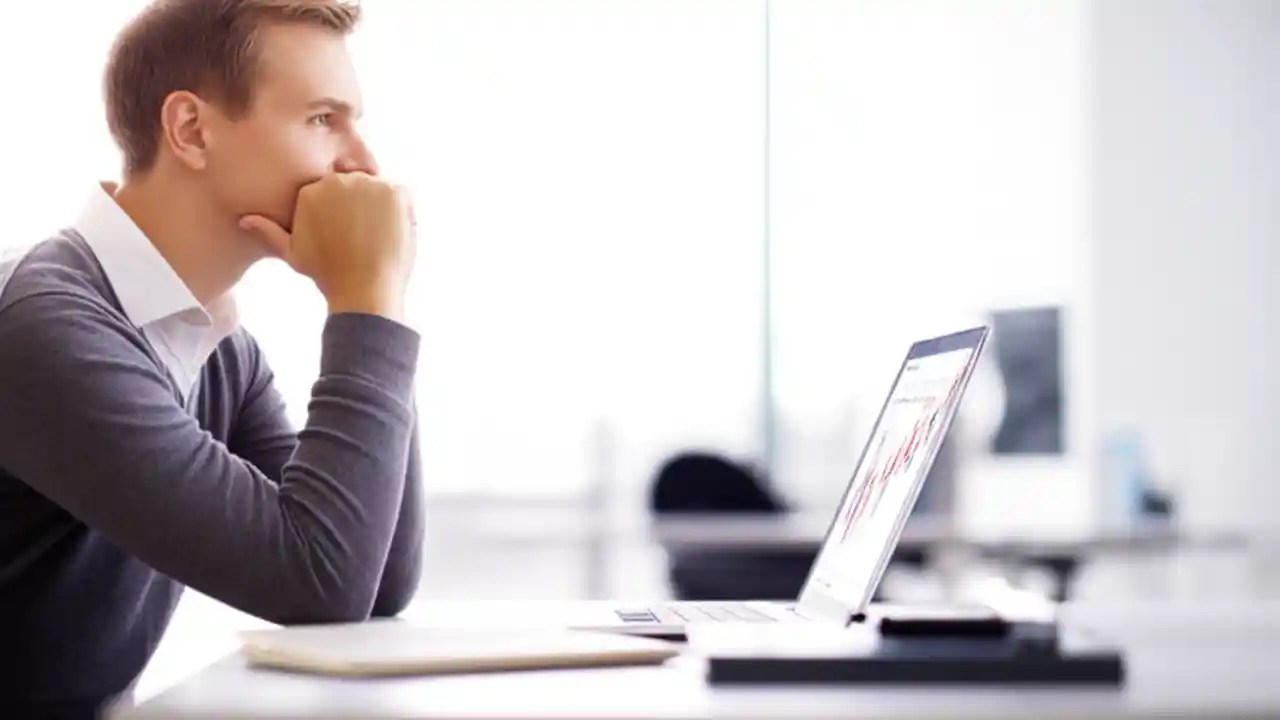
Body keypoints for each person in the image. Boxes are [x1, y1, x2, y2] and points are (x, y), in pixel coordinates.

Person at [0, 1, 422, 715]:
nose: (363, 161)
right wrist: (365, 301)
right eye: (323, 119)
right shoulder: (44, 326)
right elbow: (318, 582)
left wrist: (375, 294)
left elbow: (374, 578)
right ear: (191, 131)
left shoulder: (216, 346)